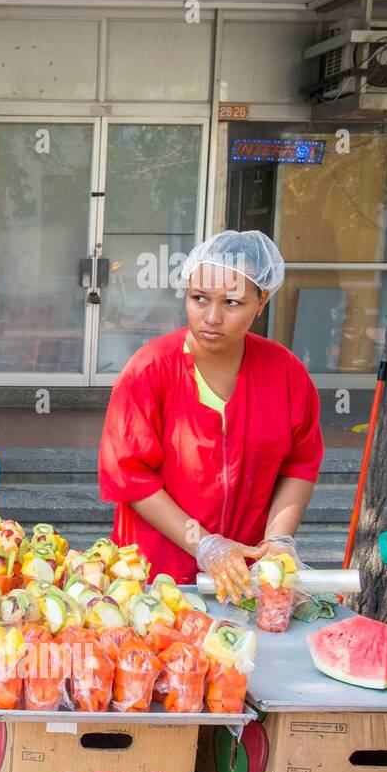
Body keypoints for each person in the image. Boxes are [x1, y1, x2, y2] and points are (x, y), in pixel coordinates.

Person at [98, 230, 324, 603]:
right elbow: (130, 475)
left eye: (232, 302)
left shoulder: (286, 373)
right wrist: (204, 545)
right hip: (155, 578)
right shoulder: (150, 370)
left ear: (261, 302)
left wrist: (279, 540)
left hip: (242, 578)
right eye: (198, 298)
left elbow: (300, 463)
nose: (212, 317)